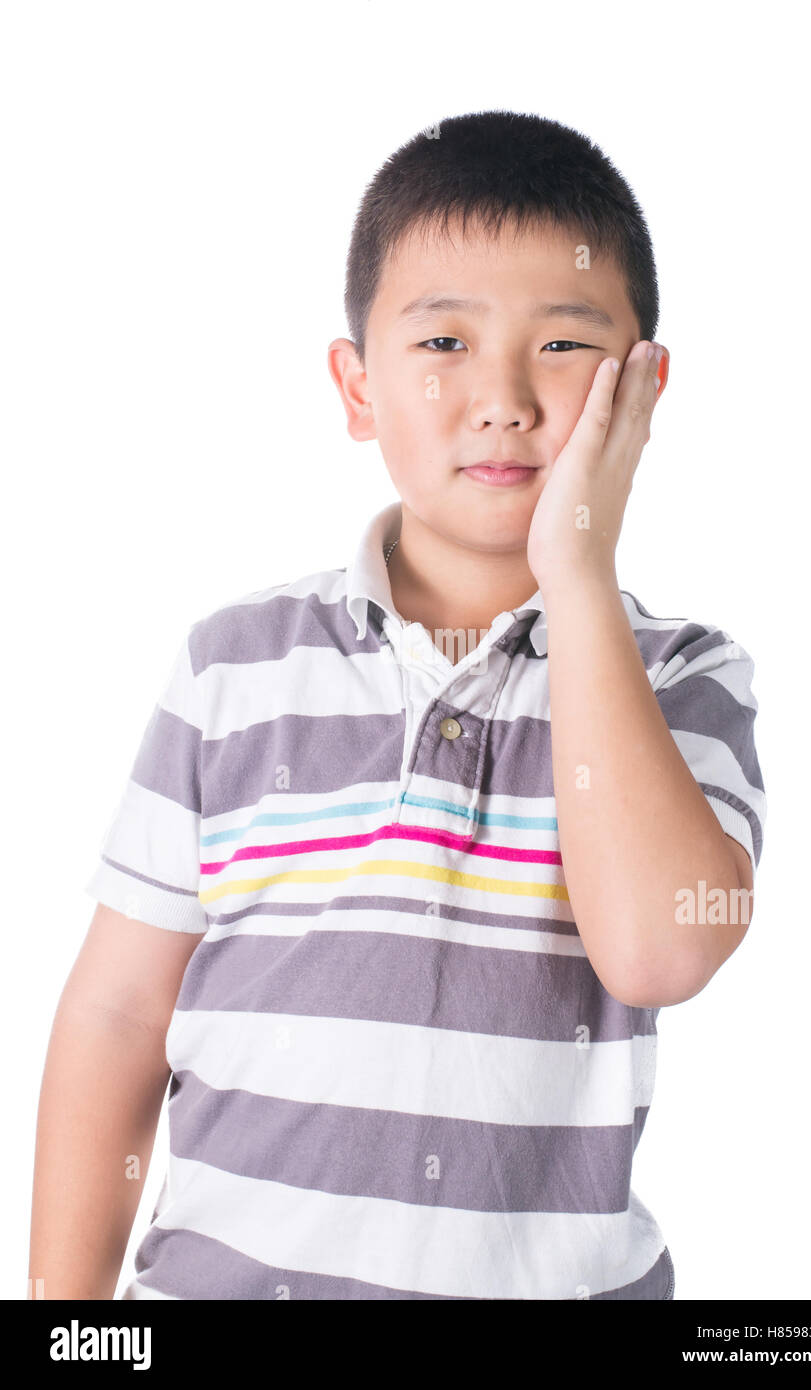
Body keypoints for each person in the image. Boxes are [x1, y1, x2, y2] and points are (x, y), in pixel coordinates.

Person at [28, 109, 766, 1300]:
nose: (504, 398)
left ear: (645, 389)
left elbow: (658, 947)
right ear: (358, 385)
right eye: (443, 342)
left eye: (566, 344)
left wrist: (575, 572)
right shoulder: (237, 666)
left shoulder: (686, 678)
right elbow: (117, 1015)